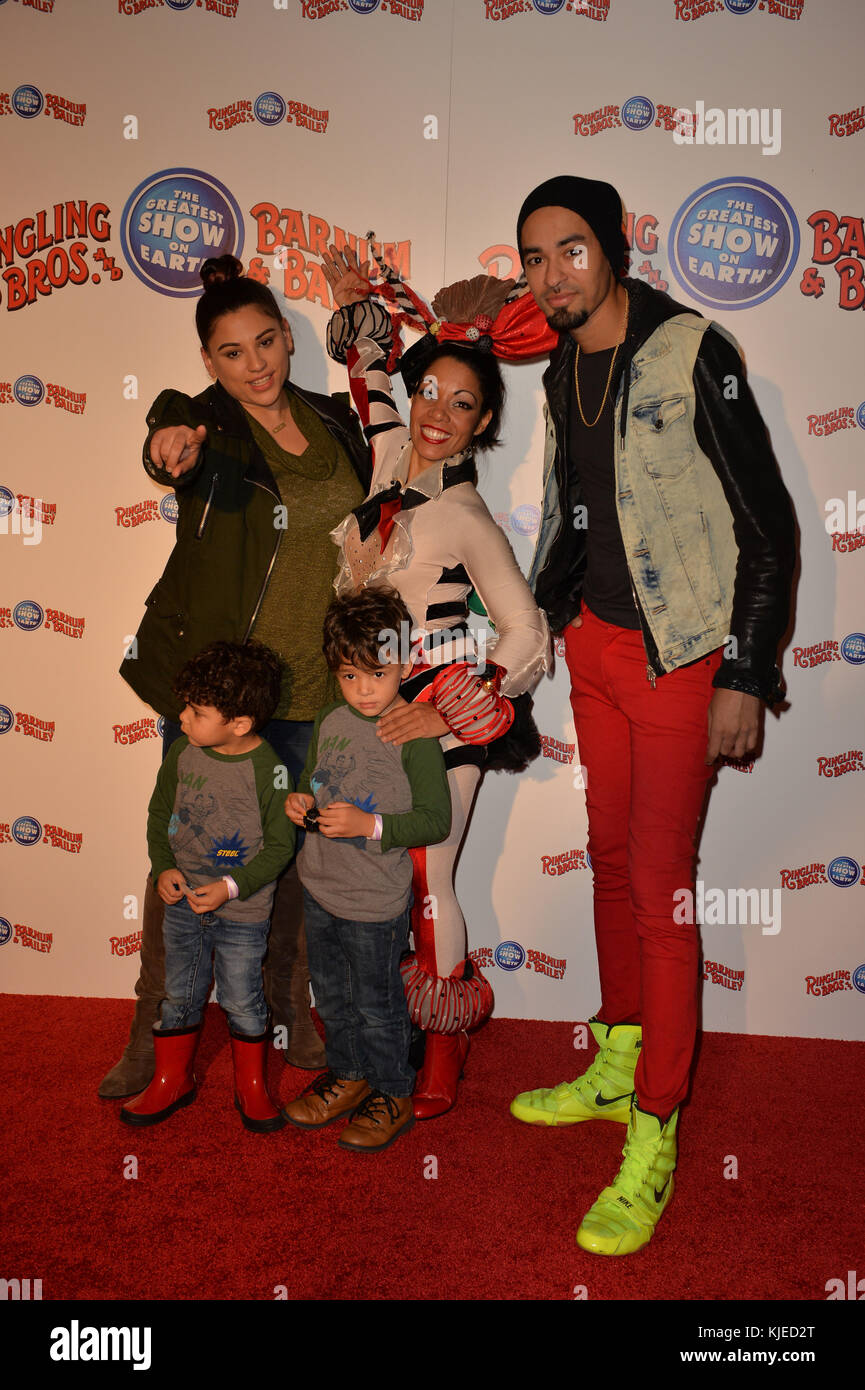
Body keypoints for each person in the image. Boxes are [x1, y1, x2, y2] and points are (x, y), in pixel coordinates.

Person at [509, 176, 796, 1255]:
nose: (551, 275)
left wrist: (745, 668)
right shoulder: (558, 364)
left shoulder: (692, 353)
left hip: (684, 658)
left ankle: (656, 1124)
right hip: (594, 647)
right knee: (607, 854)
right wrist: (541, 615)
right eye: (534, 258)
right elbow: (578, 515)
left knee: (659, 886)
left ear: (614, 249)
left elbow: (767, 527)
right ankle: (619, 1054)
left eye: (570, 251)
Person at [99, 255, 371, 1100]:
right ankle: (156, 1029)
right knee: (184, 857)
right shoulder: (206, 426)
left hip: (317, 693)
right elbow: (170, 429)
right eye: (230, 352)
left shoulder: (334, 421)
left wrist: (365, 314)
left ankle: (287, 1012)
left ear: (289, 339)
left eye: (265, 342)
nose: (254, 364)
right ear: (209, 364)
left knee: (286, 857)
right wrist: (166, 436)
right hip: (228, 696)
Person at [319, 247, 551, 1118]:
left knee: (428, 882)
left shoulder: (462, 514)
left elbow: (528, 630)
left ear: (484, 420)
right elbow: (370, 375)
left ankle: (443, 1056)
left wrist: (458, 701)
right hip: (365, 712)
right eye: (430, 394)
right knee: (368, 888)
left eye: (462, 404)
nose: (436, 414)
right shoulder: (384, 457)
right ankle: (381, 1039)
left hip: (437, 723)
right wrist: (352, 305)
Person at [283, 589, 452, 1152]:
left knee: (377, 1006)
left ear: (404, 663)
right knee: (330, 996)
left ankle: (392, 1090)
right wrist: (301, 804)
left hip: (376, 901)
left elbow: (433, 821)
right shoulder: (332, 718)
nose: (362, 690)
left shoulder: (412, 734)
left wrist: (369, 825)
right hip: (320, 885)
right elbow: (315, 778)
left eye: (376, 674)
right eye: (349, 676)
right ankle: (350, 1077)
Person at [120, 640, 295, 1133]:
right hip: (181, 906)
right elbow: (160, 815)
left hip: (242, 913)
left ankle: (252, 1087)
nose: (182, 717)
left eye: (197, 711)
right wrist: (163, 867)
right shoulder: (182, 751)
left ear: (240, 723)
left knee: (242, 999)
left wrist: (231, 887)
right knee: (179, 995)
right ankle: (172, 1080)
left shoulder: (272, 771)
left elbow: (280, 848)